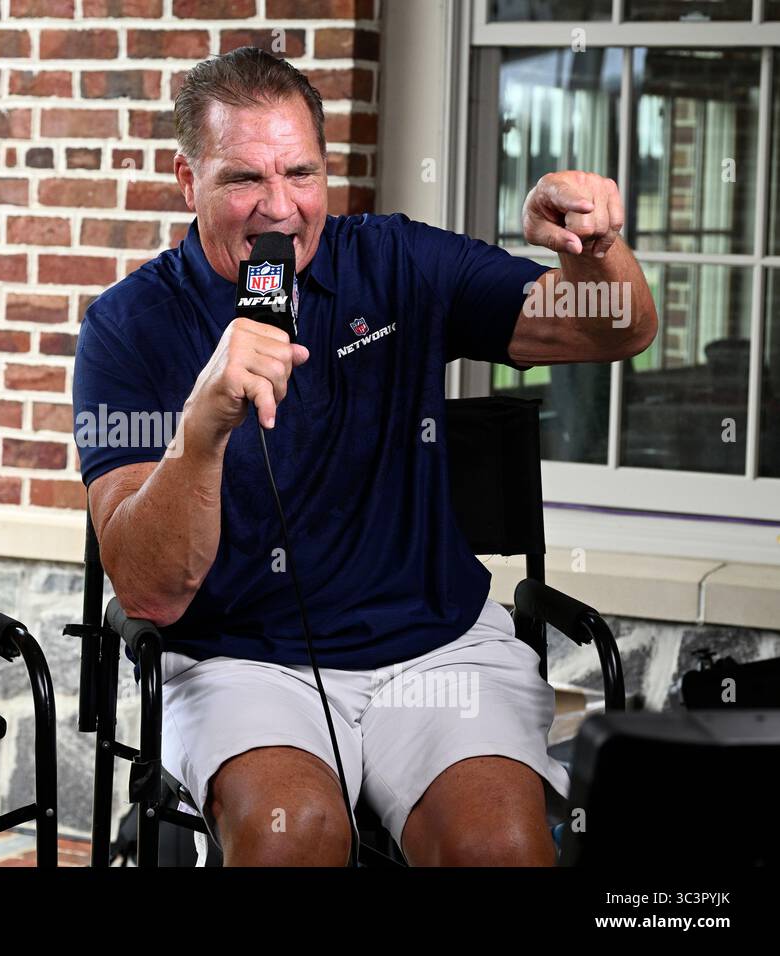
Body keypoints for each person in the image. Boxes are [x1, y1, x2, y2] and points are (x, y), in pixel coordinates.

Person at [73, 47, 657, 867]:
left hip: (435, 648)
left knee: (500, 845)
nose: (280, 208)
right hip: (241, 662)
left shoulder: (397, 262)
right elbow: (147, 589)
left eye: (301, 173)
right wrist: (202, 426)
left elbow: (616, 327)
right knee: (294, 837)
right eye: (245, 179)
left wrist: (590, 247)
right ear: (186, 180)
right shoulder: (128, 327)